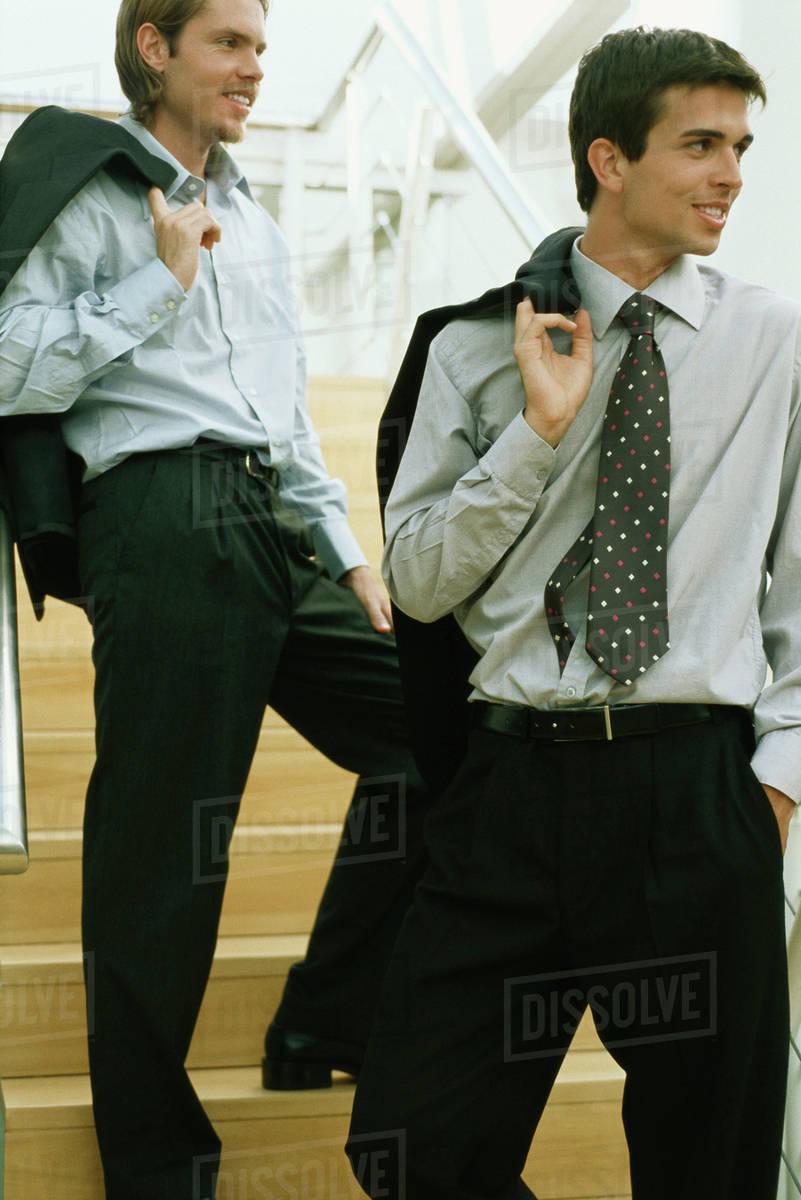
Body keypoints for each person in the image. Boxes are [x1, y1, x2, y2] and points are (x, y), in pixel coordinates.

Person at [346, 26, 799, 1200]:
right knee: (411, 1149)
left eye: (740, 146)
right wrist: (537, 431)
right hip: (510, 798)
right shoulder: (470, 348)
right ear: (608, 157)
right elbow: (423, 582)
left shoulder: (776, 344)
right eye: (699, 145)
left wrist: (778, 787)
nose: (731, 175)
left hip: (699, 797)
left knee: (714, 1170)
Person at [0, 0, 429, 1195]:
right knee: (164, 854)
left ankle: (321, 1022)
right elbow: (3, 355)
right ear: (156, 48)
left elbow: (288, 406)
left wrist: (348, 553)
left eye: (259, 48)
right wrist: (155, 283)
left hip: (273, 530)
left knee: (439, 735)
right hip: (159, 514)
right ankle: (155, 1159)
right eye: (230, 44)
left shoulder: (256, 214)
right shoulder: (89, 188)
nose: (254, 68)